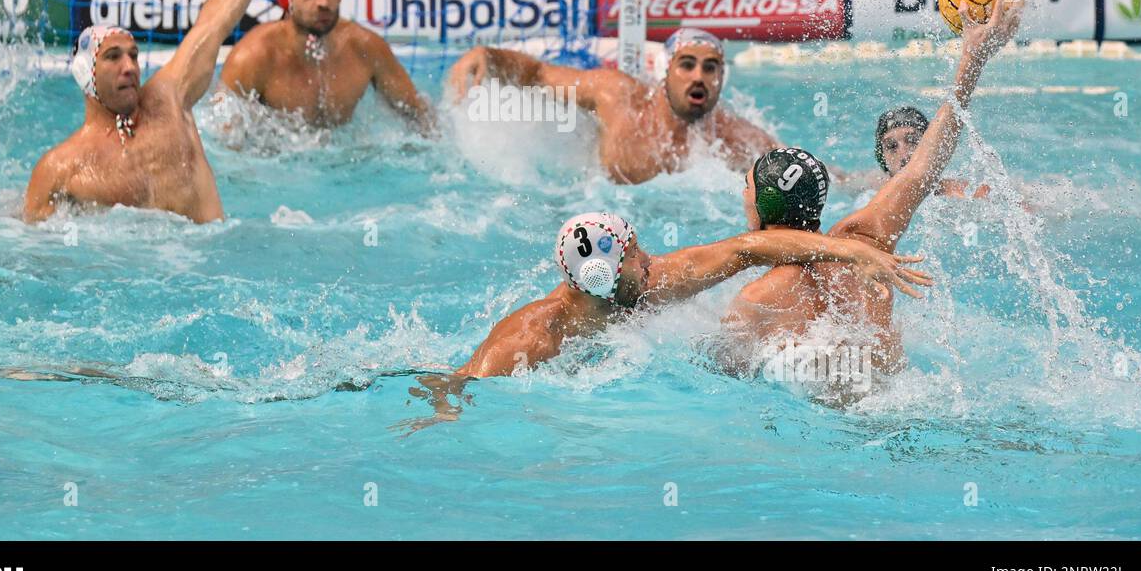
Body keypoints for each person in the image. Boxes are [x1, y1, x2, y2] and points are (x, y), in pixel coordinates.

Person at [396, 209, 929, 432]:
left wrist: (847, 252)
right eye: (635, 252)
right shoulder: (534, 339)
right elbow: (460, 385)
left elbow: (748, 248)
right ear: (605, 273)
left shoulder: (647, 286)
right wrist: (440, 418)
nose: (650, 259)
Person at [722, 0, 1024, 378]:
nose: (742, 194)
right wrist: (972, 60)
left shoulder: (754, 303)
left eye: (746, 187)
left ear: (761, 206)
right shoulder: (861, 242)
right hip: (899, 401)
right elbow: (922, 169)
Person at [22, 0, 303, 223]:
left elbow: (211, 26)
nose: (130, 67)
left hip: (217, 263)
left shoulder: (169, 99)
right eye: (113, 57)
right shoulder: (61, 168)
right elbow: (29, 246)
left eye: (133, 56)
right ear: (85, 71)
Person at [444, 27, 779, 184]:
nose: (698, 77)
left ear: (722, 77)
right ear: (666, 71)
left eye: (710, 68)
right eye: (687, 64)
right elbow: (539, 74)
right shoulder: (617, 96)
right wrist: (488, 56)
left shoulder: (735, 137)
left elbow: (797, 170)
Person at [217, 0, 435, 135]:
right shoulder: (253, 57)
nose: (323, 2)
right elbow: (222, 143)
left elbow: (420, 116)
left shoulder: (365, 47)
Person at [874, 106, 989, 199]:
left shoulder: (963, 193)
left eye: (913, 141)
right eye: (891, 146)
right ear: (882, 157)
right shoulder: (873, 189)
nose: (904, 155)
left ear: (930, 147)